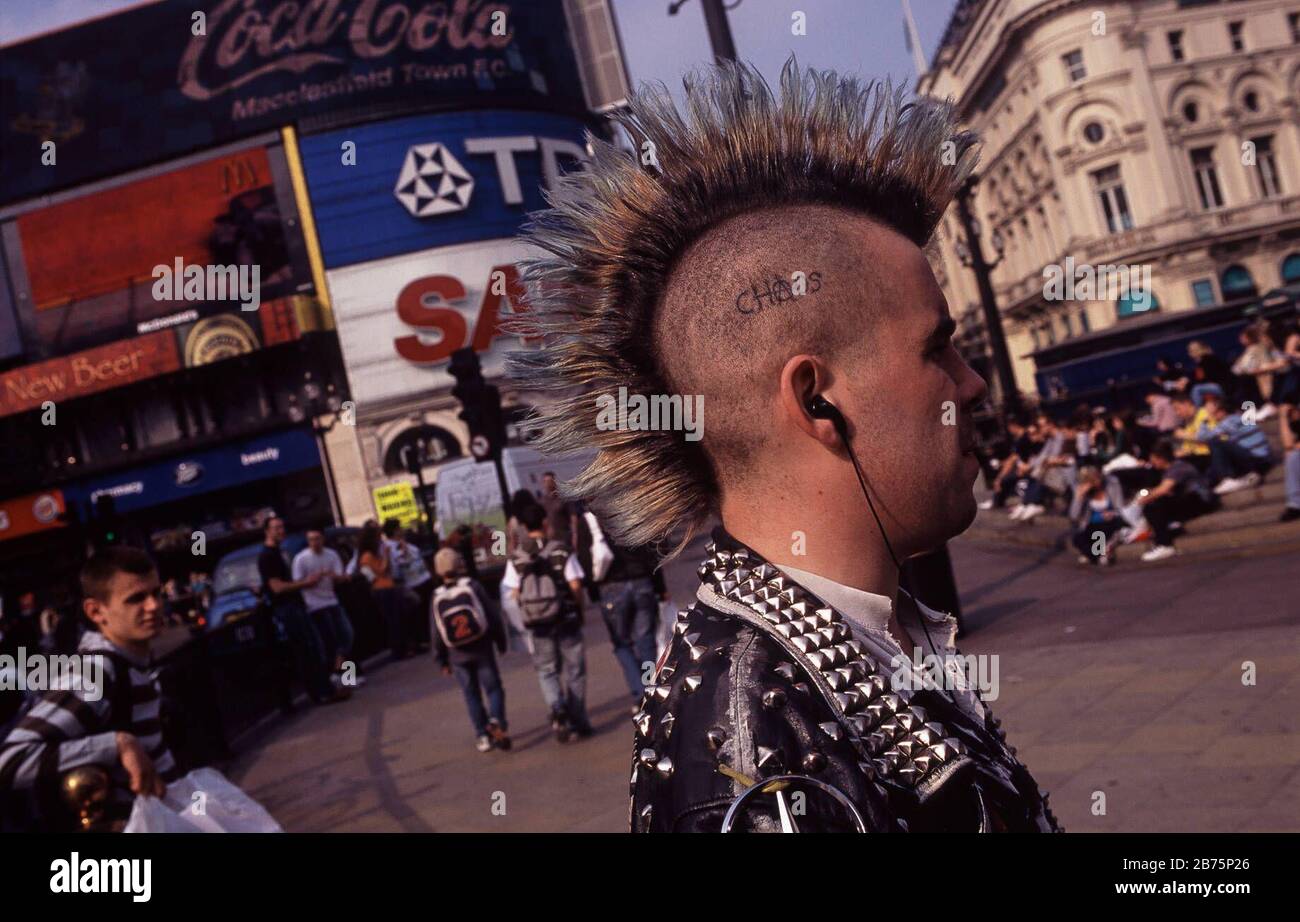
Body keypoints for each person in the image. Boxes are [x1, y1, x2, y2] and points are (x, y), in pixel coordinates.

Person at [507, 58, 1058, 831]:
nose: (972, 386)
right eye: (939, 349)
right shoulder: (752, 749)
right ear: (816, 399)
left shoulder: (850, 639)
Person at [0, 548, 183, 829]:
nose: (154, 606)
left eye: (156, 593)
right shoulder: (96, 673)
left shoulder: (129, 663)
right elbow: (10, 761)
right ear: (96, 611)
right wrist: (116, 744)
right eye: (136, 599)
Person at [502, 504, 591, 742]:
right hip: (566, 619)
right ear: (544, 523)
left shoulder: (517, 558)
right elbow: (575, 585)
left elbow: (512, 594)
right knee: (575, 670)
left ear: (523, 527)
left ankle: (557, 708)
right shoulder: (561, 550)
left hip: (538, 624)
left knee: (546, 670)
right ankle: (578, 720)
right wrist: (579, 609)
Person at [259, 517, 347, 703]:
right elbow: (277, 587)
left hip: (299, 605)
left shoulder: (279, 552)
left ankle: (328, 687)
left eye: (282, 526)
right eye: (275, 528)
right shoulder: (268, 556)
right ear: (267, 531)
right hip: (289, 607)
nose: (280, 531)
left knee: (320, 645)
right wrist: (306, 582)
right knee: (309, 649)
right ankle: (324, 692)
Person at [431, 548, 511, 753]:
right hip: (482, 647)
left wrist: (441, 660)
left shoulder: (437, 596)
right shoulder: (472, 586)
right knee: (493, 687)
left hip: (457, 654)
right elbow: (491, 614)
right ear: (459, 565)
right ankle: (496, 720)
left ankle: (482, 735)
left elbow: (436, 632)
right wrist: (500, 640)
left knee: (471, 694)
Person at [594, 530, 666, 707]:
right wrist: (660, 586)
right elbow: (652, 550)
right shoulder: (632, 509)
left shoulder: (592, 520)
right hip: (642, 581)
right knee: (647, 642)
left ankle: (639, 689)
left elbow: (585, 557)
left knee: (622, 644)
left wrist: (594, 591)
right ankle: (649, 685)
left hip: (612, 586)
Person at [291, 530, 359, 685]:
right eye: (311, 540)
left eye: (317, 539)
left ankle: (343, 675)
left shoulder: (331, 555)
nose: (315, 543)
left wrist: (333, 576)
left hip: (332, 600)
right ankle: (344, 677)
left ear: (323, 539)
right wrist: (311, 580)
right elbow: (298, 583)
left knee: (347, 636)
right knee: (331, 641)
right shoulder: (301, 559)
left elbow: (342, 577)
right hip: (314, 605)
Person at [1133, 439, 1219, 562]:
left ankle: (1165, 545)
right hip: (1192, 500)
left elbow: (1163, 489)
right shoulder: (1170, 470)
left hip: (1202, 500)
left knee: (1153, 506)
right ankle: (1170, 528)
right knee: (1159, 504)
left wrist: (1143, 499)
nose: (1152, 463)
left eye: (1154, 459)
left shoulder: (1178, 467)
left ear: (1162, 458)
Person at [1191, 391, 1273, 494]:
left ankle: (1227, 479)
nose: (1211, 414)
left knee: (1215, 443)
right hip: (1260, 458)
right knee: (1212, 468)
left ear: (1221, 411)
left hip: (1257, 460)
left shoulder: (1230, 421)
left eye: (1213, 411)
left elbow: (1202, 437)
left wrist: (1205, 420)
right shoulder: (1238, 418)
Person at [358, 523, 408, 660]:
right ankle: (398, 650)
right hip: (382, 589)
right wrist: (385, 556)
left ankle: (402, 647)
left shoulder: (376, 553)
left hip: (388, 586)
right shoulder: (367, 556)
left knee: (397, 618)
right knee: (393, 620)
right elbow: (381, 570)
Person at [1069, 467, 1124, 566]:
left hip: (1109, 523)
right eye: (1093, 480)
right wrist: (1079, 498)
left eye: (1098, 479)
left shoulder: (1112, 485)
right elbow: (1073, 516)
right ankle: (1101, 554)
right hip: (1090, 525)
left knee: (1101, 531)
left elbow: (1120, 509)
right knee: (1077, 539)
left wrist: (1111, 513)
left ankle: (1093, 554)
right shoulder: (1083, 491)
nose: (1097, 482)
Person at [391, 526, 434, 652]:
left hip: (424, 578)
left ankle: (431, 636)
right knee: (419, 612)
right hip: (413, 583)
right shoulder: (393, 548)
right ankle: (424, 639)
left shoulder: (410, 545)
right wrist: (403, 549)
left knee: (429, 608)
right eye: (398, 531)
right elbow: (400, 562)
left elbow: (419, 558)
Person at [538, 472, 577, 549]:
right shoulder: (541, 502)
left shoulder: (563, 498)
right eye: (545, 481)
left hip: (565, 536)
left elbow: (573, 517)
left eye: (550, 481)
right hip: (549, 539)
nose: (548, 484)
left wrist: (575, 535)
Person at [1187, 340, 1232, 407]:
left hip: (1222, 386)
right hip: (1215, 385)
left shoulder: (1208, 359)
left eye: (1192, 350)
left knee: (1196, 389)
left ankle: (1198, 412)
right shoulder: (1201, 362)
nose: (1190, 353)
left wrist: (1188, 383)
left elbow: (1204, 379)